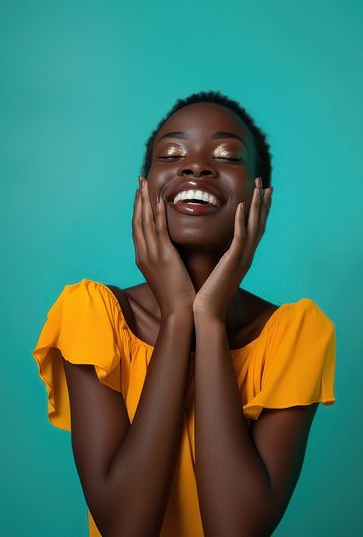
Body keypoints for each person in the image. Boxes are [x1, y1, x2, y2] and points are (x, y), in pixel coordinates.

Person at [32, 91, 336, 536]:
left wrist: (207, 320)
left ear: (260, 200)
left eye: (228, 155)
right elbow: (124, 529)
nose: (196, 166)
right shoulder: (93, 316)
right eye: (171, 154)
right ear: (144, 189)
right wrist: (178, 317)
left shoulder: (296, 335)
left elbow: (236, 530)